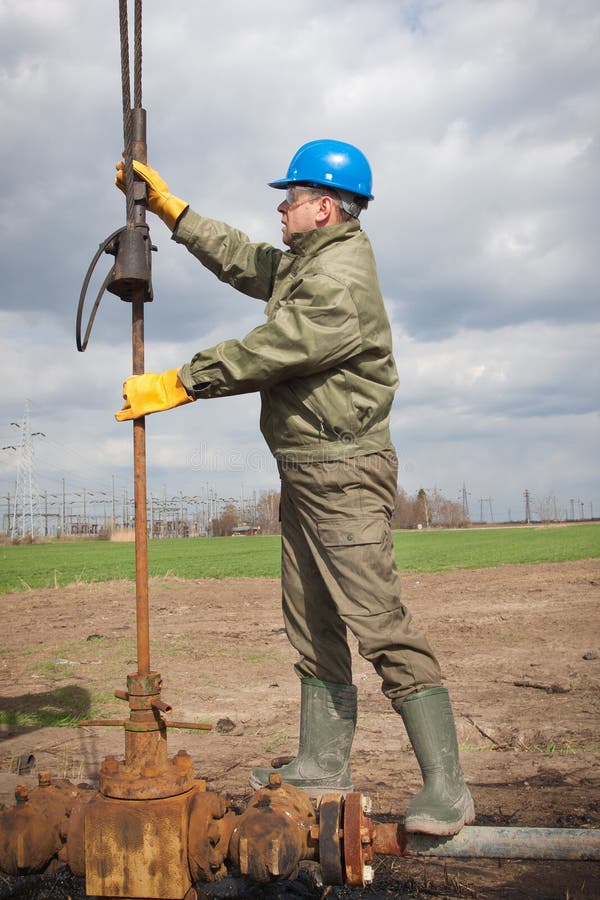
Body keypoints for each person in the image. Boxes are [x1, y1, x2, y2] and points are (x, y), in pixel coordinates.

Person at [115, 140, 475, 836]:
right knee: (311, 620)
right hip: (307, 471)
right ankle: (321, 761)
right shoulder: (310, 262)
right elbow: (248, 261)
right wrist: (172, 210)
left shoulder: (339, 281)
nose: (281, 207)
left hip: (343, 475)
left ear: (324, 207)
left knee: (379, 623)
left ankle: (448, 789)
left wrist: (182, 381)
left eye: (292, 197)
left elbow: (276, 348)